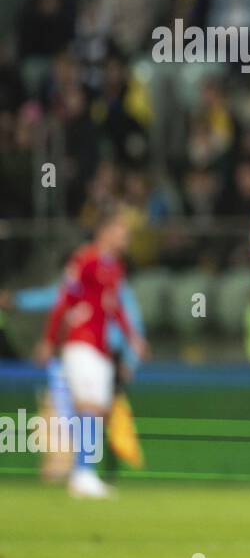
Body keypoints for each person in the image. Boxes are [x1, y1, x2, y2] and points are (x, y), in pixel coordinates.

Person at [34, 209, 147, 499]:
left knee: (97, 409)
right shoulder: (85, 259)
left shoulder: (114, 267)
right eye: (121, 231)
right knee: (89, 407)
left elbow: (116, 308)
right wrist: (49, 340)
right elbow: (64, 299)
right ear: (106, 231)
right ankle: (82, 475)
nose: (125, 237)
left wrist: (133, 339)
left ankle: (85, 473)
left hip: (100, 346)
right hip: (80, 342)